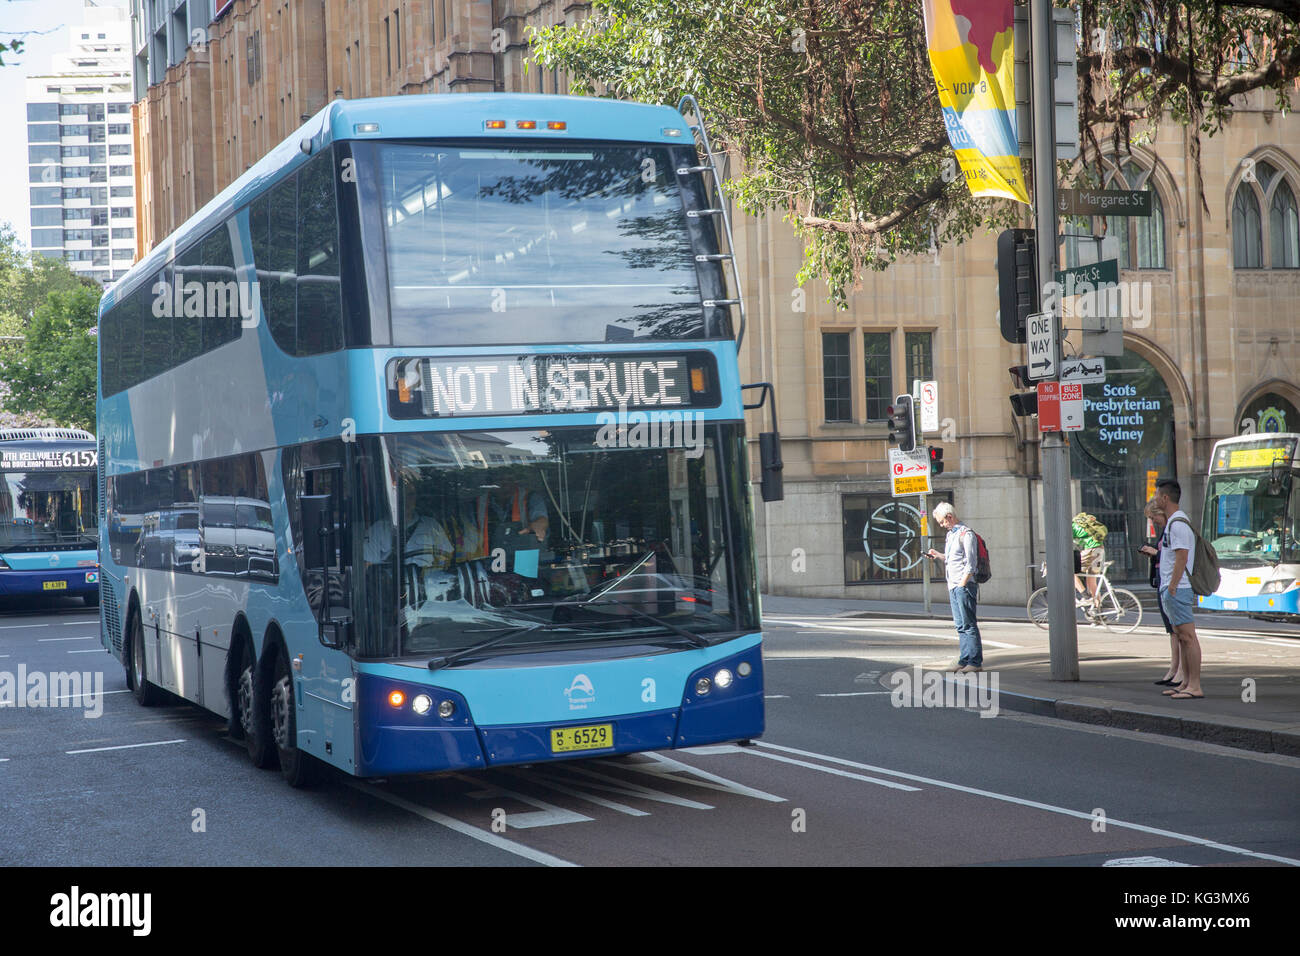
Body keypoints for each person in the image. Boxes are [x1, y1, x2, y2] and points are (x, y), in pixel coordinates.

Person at [1154, 478, 1203, 699]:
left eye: (1157, 495)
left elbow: (1182, 556)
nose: (1155, 500)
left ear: (1165, 498)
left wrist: (1172, 586)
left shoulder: (1178, 524)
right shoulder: (1174, 522)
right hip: (1172, 587)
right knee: (1181, 636)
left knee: (1188, 636)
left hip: (1178, 588)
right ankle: (1186, 683)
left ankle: (1195, 685)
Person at [925, 502, 983, 673]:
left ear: (949, 517)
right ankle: (964, 659)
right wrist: (938, 555)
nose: (942, 526)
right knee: (960, 625)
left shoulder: (967, 534)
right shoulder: (951, 535)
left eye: (942, 522)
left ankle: (975, 661)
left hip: (963, 586)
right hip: (953, 585)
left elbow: (971, 564)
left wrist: (963, 583)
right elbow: (952, 560)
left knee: (968, 624)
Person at [1137, 497, 1180, 686]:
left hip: (1171, 583)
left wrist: (1156, 553)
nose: (1153, 522)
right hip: (1162, 581)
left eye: (1154, 518)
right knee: (1172, 630)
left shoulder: (1175, 527)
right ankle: (1174, 667)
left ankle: (1180, 671)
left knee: (1179, 631)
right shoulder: (1166, 531)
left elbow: (1178, 555)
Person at [1071, 511, 1107, 620]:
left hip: (1090, 550)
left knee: (1068, 570)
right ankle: (1098, 611)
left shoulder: (1071, 528)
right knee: (1092, 581)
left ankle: (1085, 597)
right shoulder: (1081, 526)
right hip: (1100, 549)